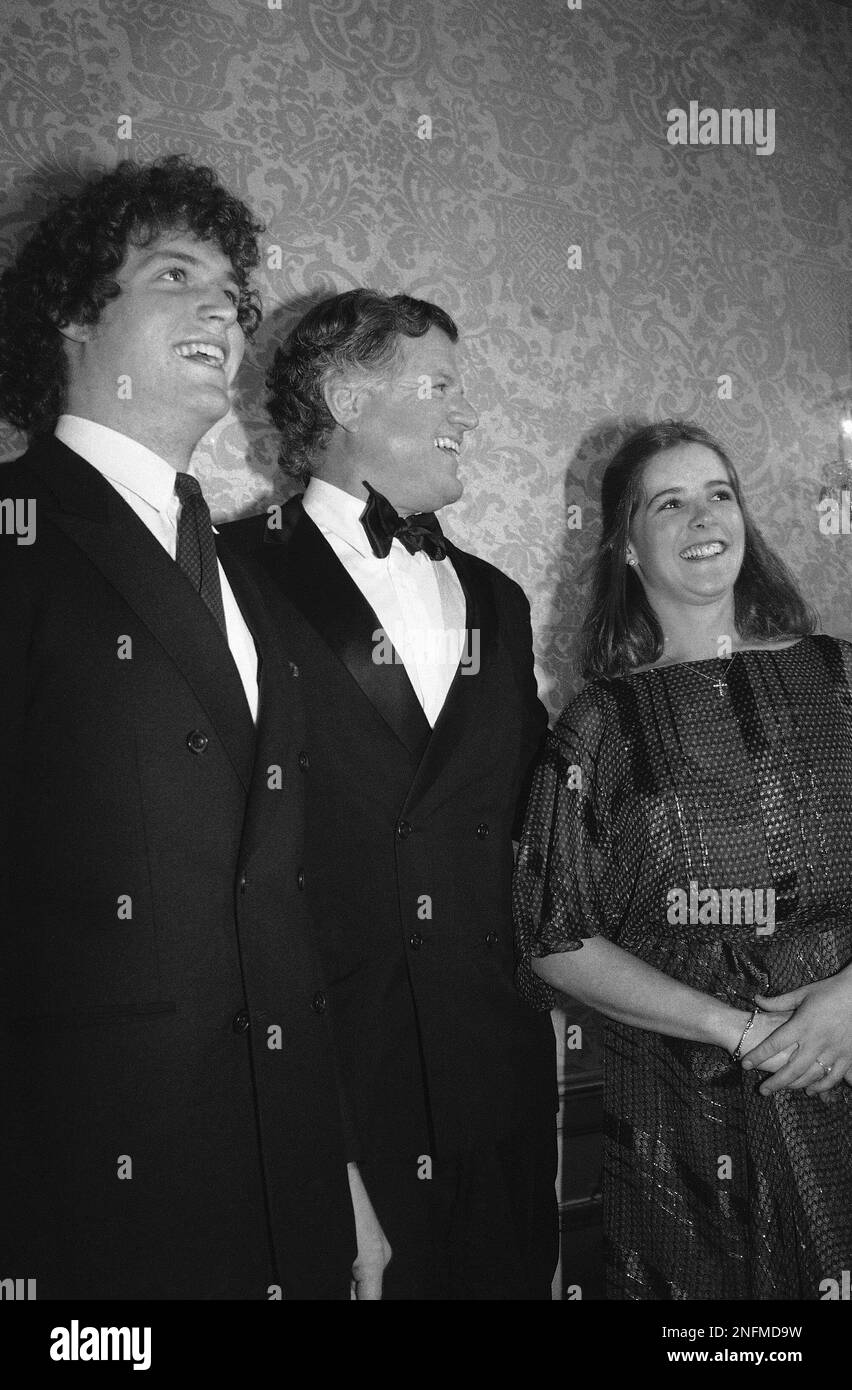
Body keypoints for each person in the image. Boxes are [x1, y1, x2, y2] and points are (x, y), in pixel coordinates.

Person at [0, 155, 388, 1299]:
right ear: (75, 313)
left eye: (234, 291)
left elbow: (278, 902)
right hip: (90, 1210)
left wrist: (338, 1173)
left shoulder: (244, 579)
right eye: (178, 275)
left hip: (288, 1192)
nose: (224, 307)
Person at [223, 289, 558, 1299]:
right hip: (335, 1106)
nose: (468, 415)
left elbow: (544, 825)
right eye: (444, 386)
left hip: (499, 1101)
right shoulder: (231, 573)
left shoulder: (499, 600)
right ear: (346, 396)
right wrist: (321, 1145)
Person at [514, 419, 852, 1301]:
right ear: (627, 545)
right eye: (670, 502)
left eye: (720, 494)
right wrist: (740, 1032)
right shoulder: (598, 726)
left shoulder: (841, 680)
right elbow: (555, 935)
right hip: (687, 1102)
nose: (704, 518)